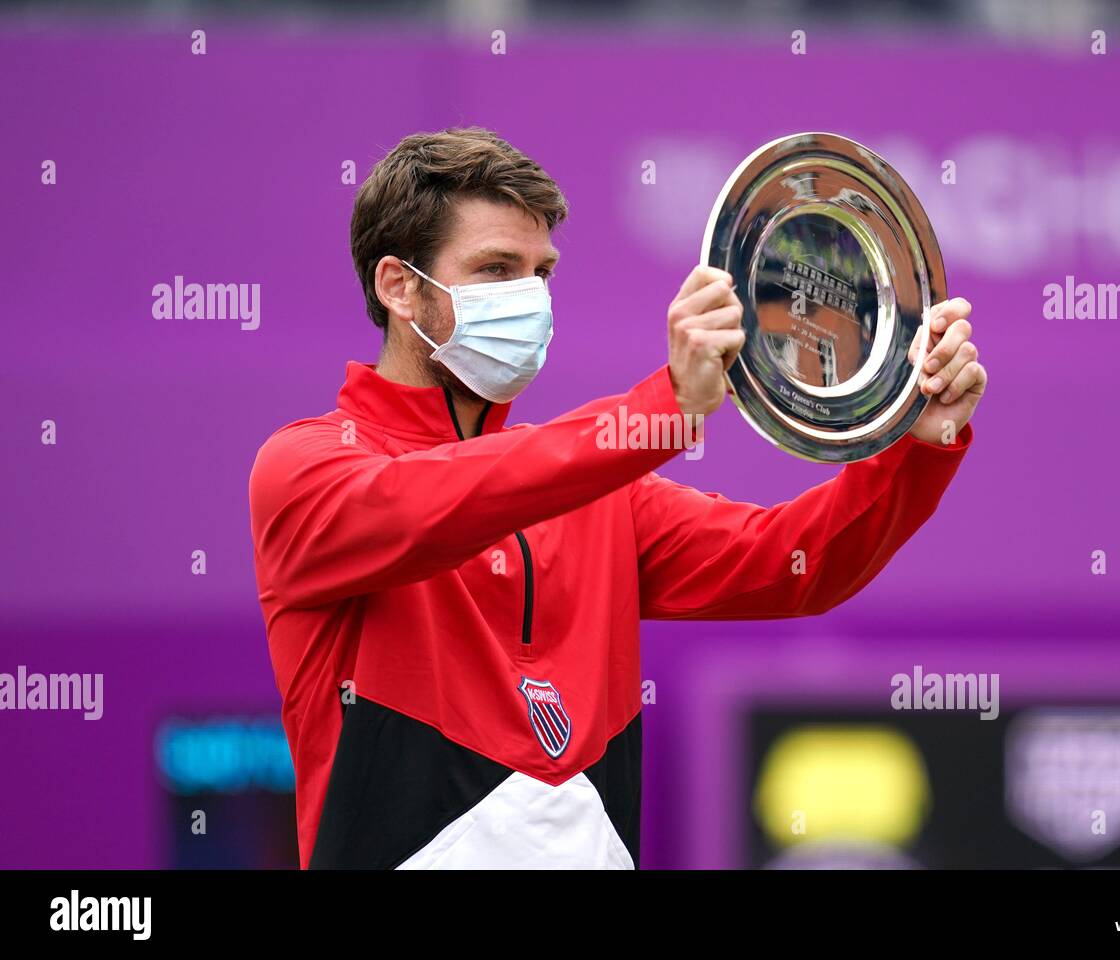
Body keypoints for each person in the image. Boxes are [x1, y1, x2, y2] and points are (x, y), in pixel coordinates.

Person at [248, 127, 987, 870]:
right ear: (398, 286)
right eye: (495, 269)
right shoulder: (307, 471)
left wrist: (916, 443)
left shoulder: (600, 496)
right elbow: (448, 496)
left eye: (541, 272)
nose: (528, 297)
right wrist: (666, 408)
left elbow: (799, 562)